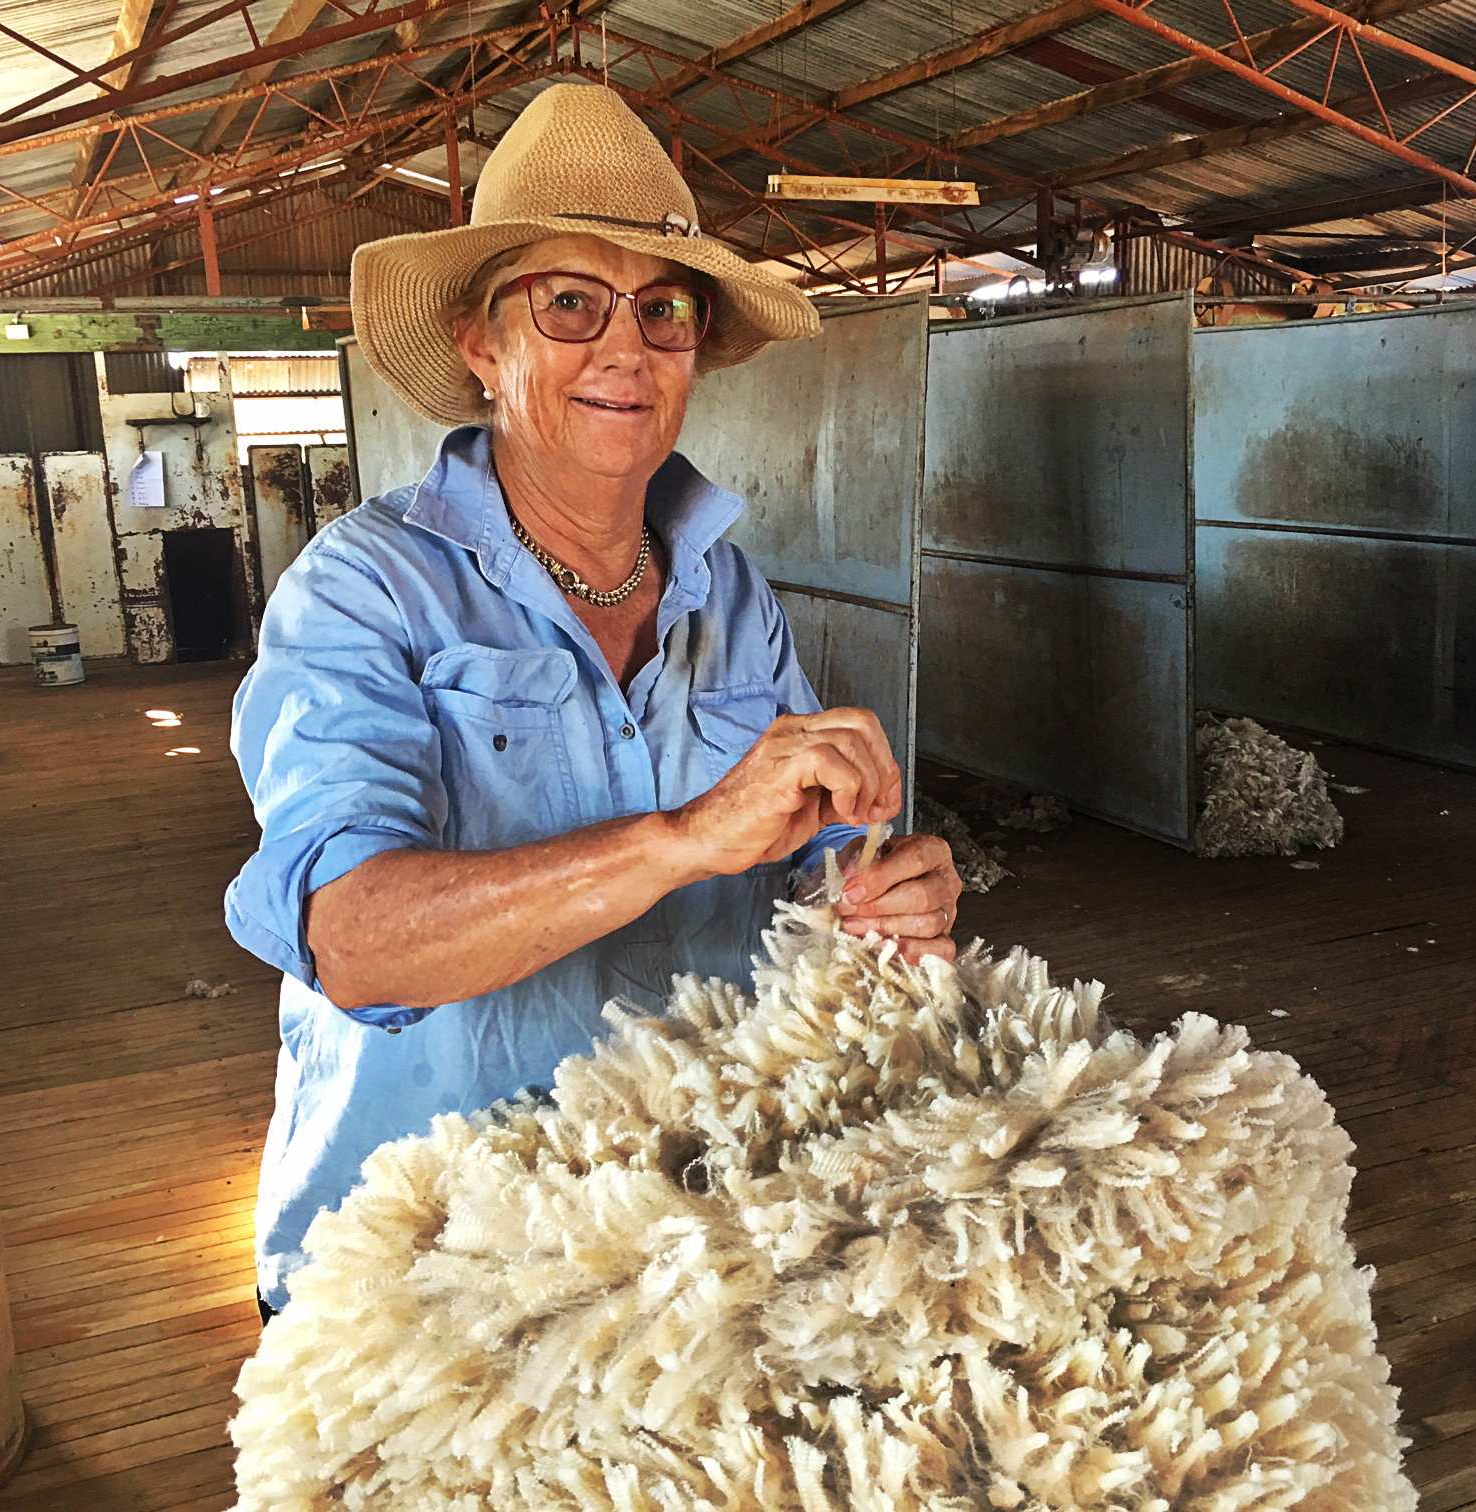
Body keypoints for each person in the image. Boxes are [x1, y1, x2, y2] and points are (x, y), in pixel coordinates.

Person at [224, 84, 963, 1320]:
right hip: (432, 1262)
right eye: (570, 302)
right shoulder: (364, 590)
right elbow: (352, 940)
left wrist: (878, 896)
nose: (625, 346)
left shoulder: (729, 588)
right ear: (481, 342)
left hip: (694, 1237)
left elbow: (803, 863)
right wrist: (680, 841)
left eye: (663, 311)